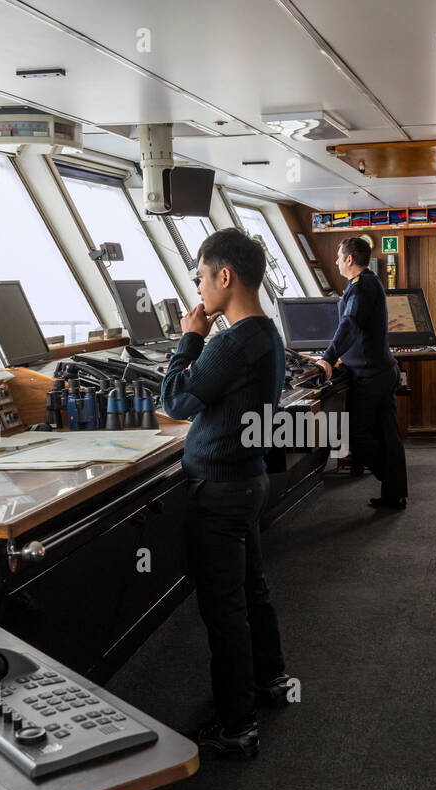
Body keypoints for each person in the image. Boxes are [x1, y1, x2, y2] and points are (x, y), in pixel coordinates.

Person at [160, 228, 292, 760]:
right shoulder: (268, 333)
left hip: (219, 489)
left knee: (226, 609)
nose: (198, 289)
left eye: (199, 277)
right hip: (248, 480)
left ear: (224, 276)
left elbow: (175, 402)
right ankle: (271, 680)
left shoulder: (232, 343)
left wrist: (189, 338)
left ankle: (238, 727)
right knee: (251, 592)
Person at [315, 235, 409, 509]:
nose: (335, 261)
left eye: (338, 256)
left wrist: (329, 358)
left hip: (371, 376)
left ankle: (392, 484)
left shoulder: (360, 288)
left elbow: (350, 324)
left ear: (349, 259)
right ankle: (394, 493)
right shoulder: (367, 282)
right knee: (387, 435)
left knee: (356, 433)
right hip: (379, 369)